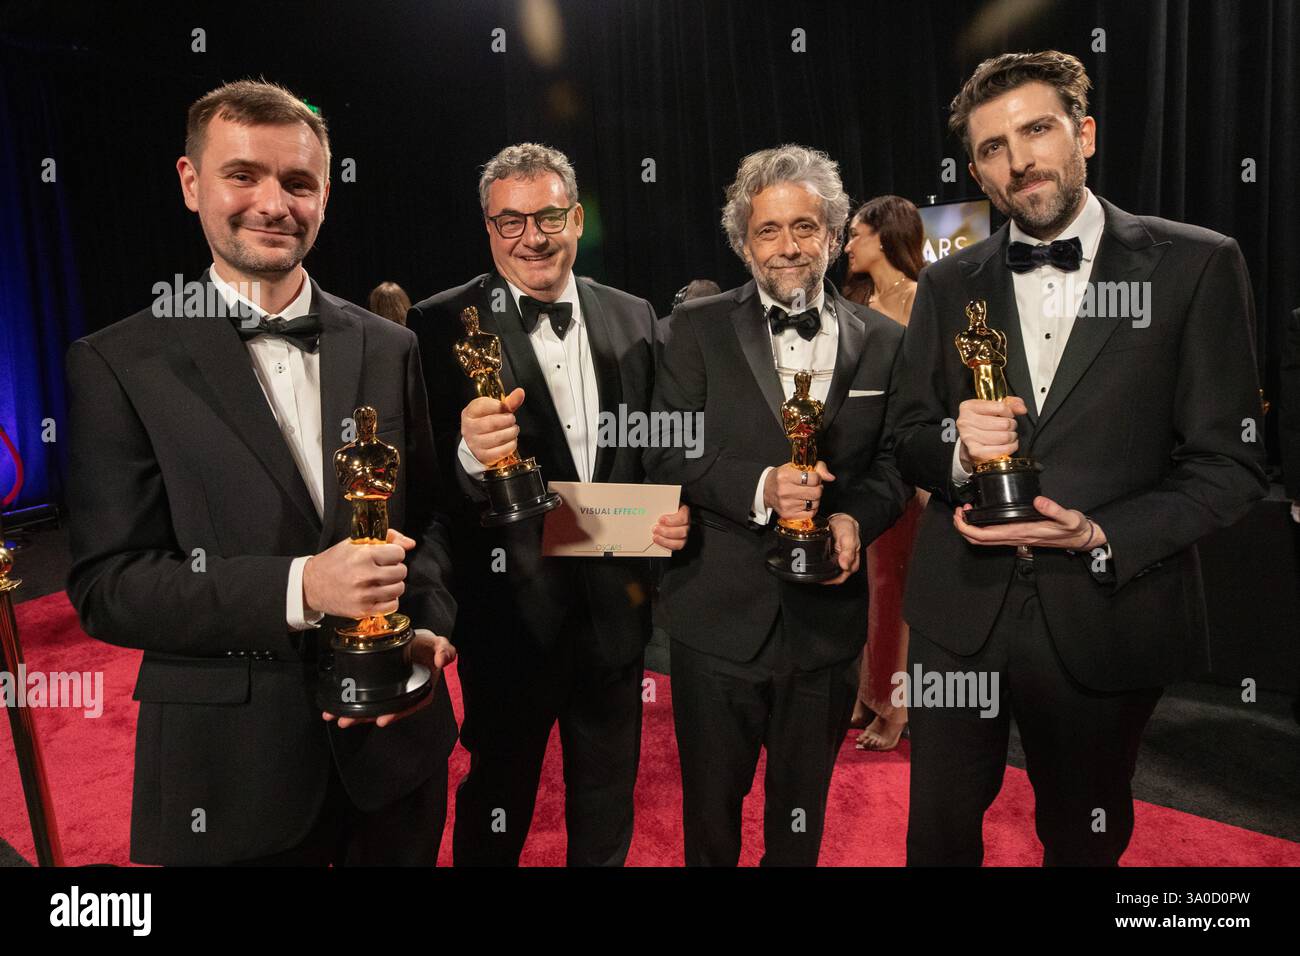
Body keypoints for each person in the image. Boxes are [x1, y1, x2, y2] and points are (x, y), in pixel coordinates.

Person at [64, 80, 459, 866]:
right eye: (243, 175)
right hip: (230, 776)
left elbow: (434, 517)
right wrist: (304, 588)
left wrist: (429, 618)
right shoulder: (117, 362)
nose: (274, 203)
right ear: (190, 182)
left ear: (325, 197)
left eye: (299, 182)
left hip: (395, 757)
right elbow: (109, 587)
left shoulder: (391, 347)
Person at [891, 50, 1268, 866]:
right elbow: (907, 435)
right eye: (992, 147)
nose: (1017, 159)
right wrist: (958, 449)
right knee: (936, 837)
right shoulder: (949, 283)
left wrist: (1098, 533)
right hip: (958, 616)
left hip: (1105, 614)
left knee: (1083, 837)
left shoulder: (1196, 264)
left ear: (1083, 133)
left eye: (1035, 130)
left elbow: (1230, 463)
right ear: (978, 169)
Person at [407, 143, 689, 866]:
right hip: (509, 624)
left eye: (548, 216)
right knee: (497, 801)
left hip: (617, 617)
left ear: (577, 218)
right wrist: (469, 452)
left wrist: (673, 510)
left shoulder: (633, 316)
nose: (532, 236)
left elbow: (653, 449)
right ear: (489, 229)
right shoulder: (437, 325)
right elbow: (417, 483)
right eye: (510, 221)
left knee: (606, 801)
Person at [645, 144, 911, 866]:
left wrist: (856, 517)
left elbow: (893, 463)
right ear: (742, 241)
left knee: (801, 823)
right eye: (768, 230)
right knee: (709, 820)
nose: (788, 246)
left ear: (832, 234)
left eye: (805, 227)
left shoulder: (887, 342)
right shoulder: (693, 329)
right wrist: (760, 486)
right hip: (716, 617)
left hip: (826, 629)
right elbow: (665, 449)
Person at [842, 195, 928, 750]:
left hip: (911, 470)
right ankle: (864, 694)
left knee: (896, 589)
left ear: (884, 235)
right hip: (860, 469)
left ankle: (895, 708)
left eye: (855, 233)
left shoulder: (926, 300)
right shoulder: (854, 301)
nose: (846, 245)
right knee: (864, 587)